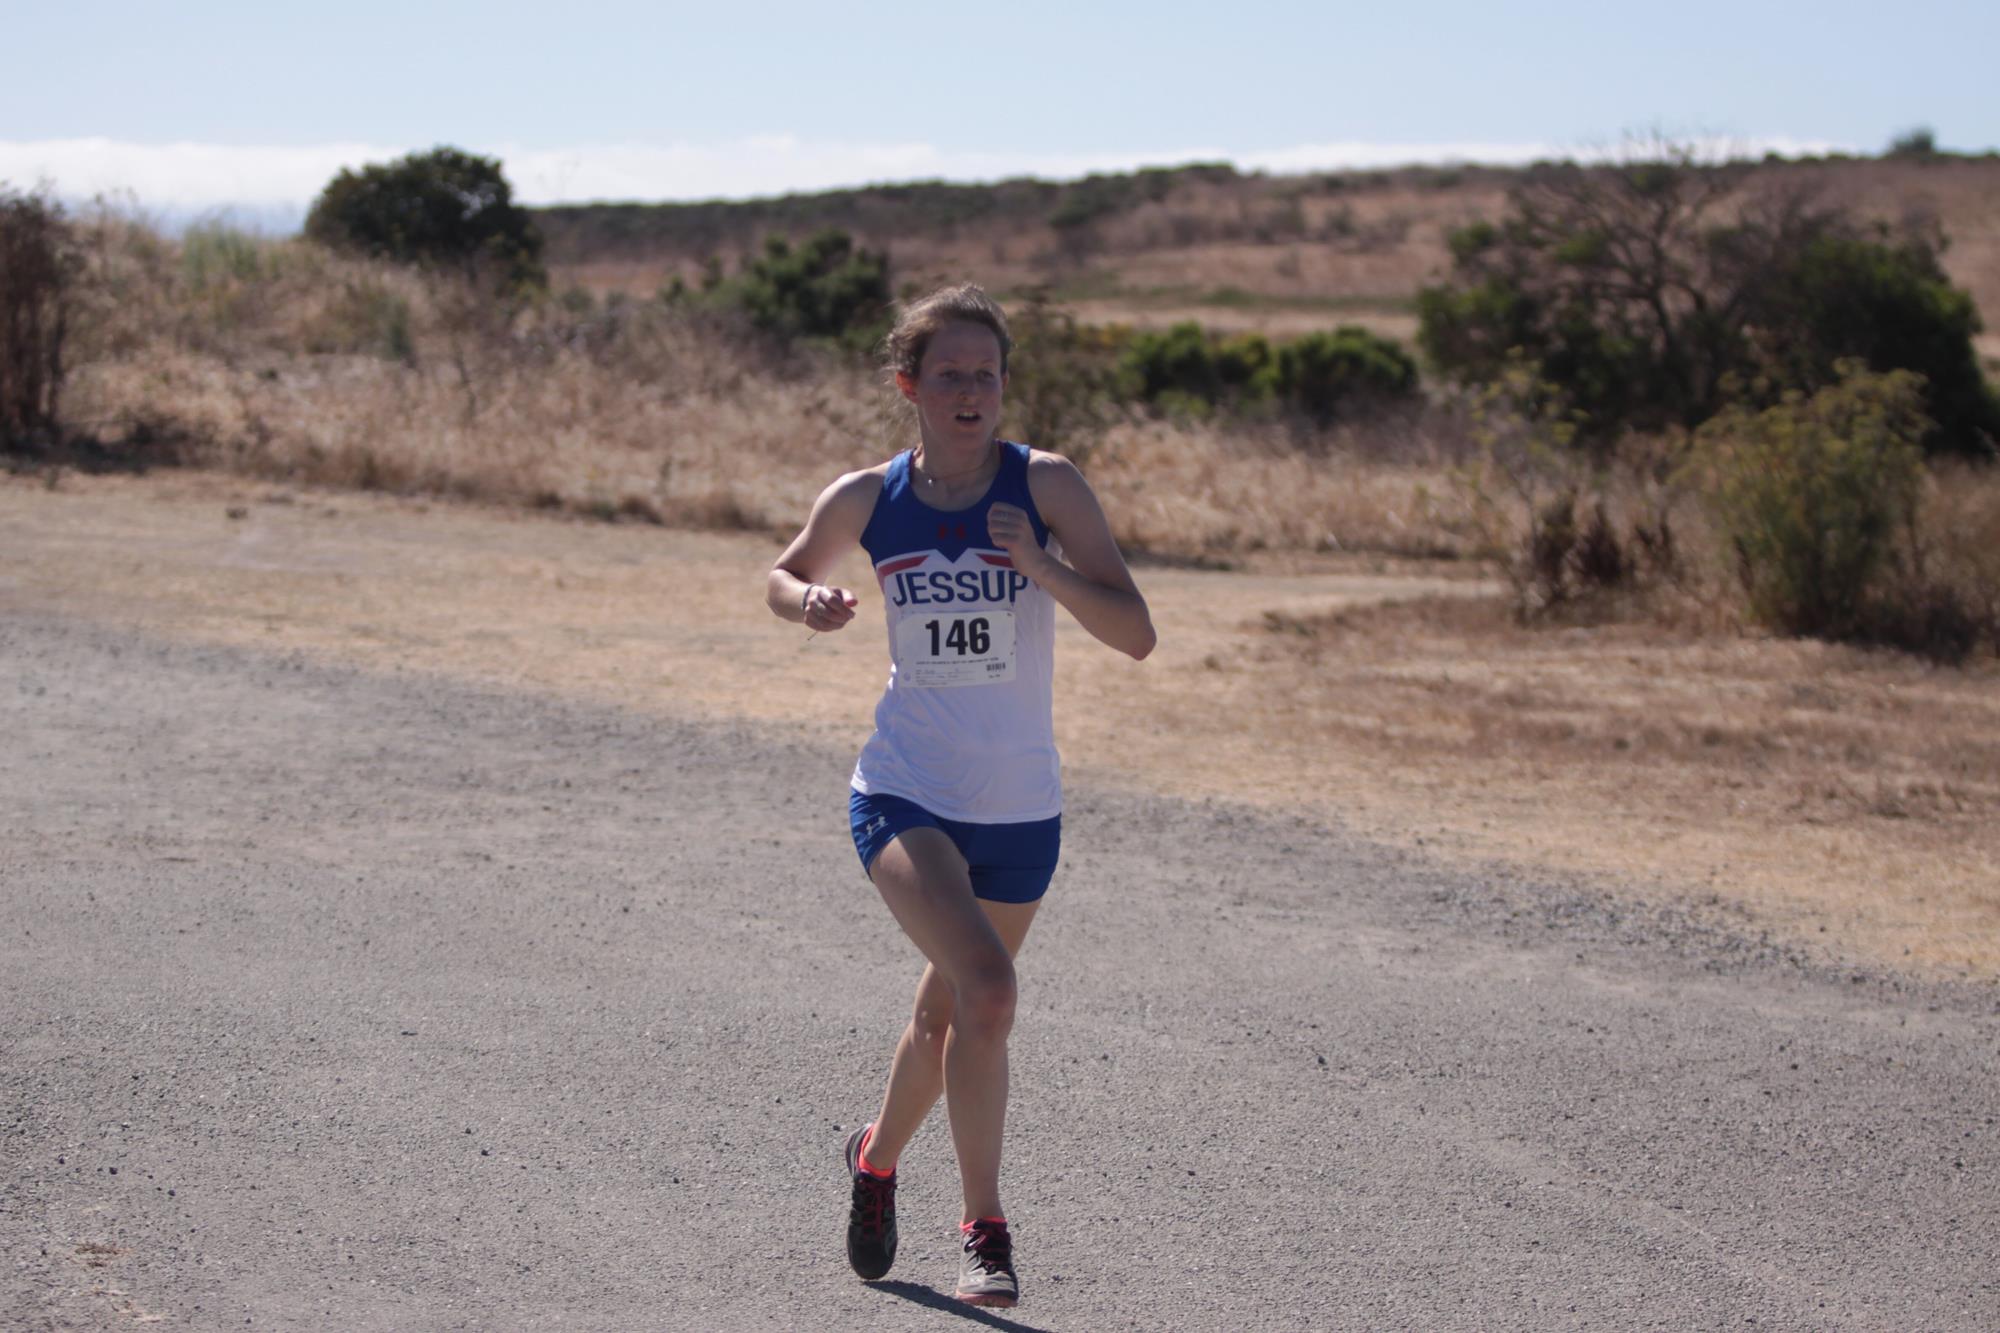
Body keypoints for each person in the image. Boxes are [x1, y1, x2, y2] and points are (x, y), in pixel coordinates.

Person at [766, 283, 1154, 1308]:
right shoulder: (869, 496)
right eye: (949, 374)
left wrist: (1041, 566)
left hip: (1020, 804)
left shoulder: (1046, 485)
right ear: (910, 385)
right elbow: (781, 572)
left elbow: (1136, 632)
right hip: (908, 789)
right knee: (986, 990)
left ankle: (873, 1157)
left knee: (947, 1011)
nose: (970, 391)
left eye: (986, 373)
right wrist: (809, 600)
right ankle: (986, 1229)